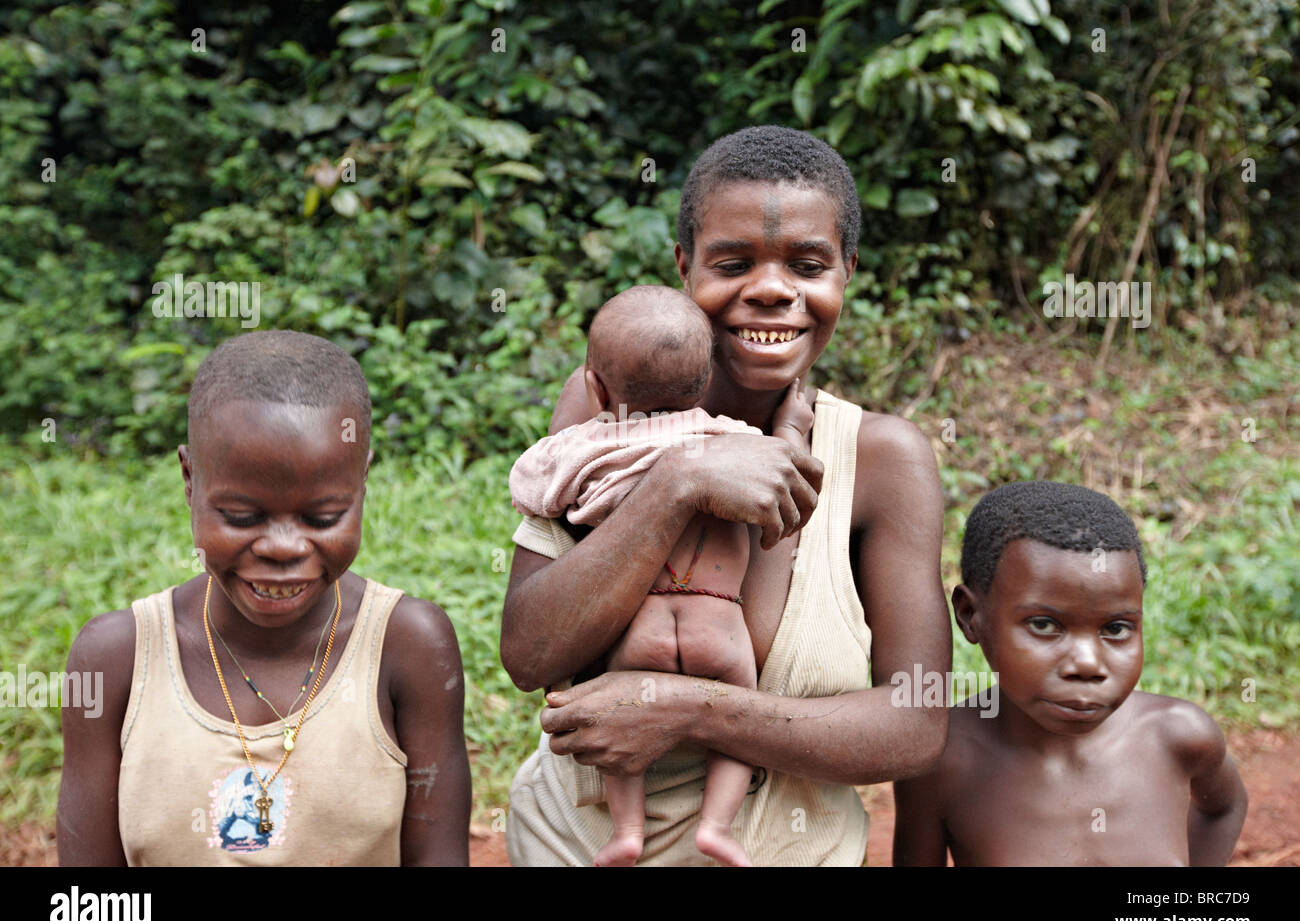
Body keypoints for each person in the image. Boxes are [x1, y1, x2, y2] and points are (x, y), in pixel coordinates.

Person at [500, 126, 952, 866]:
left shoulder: (883, 461)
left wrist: (689, 711)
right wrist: (681, 481)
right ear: (684, 266)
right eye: (733, 263)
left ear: (848, 272)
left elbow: (916, 724)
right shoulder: (602, 413)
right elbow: (529, 651)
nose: (772, 289)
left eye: (809, 264)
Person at [57, 330, 471, 866]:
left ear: (362, 481)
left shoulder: (407, 647)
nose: (283, 547)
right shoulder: (117, 659)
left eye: (322, 519)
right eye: (242, 517)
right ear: (189, 479)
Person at [509, 285, 813, 866]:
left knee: (619, 722)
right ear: (704, 383)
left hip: (642, 629)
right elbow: (786, 466)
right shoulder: (734, 443)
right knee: (739, 718)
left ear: (595, 388)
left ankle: (626, 831)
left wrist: (561, 439)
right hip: (718, 624)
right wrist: (792, 424)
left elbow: (534, 489)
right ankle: (718, 828)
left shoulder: (588, 454)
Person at [892, 481, 1248, 865]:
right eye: (1044, 625)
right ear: (970, 616)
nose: (1087, 664)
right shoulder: (940, 762)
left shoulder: (1180, 736)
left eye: (1115, 629)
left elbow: (1224, 807)